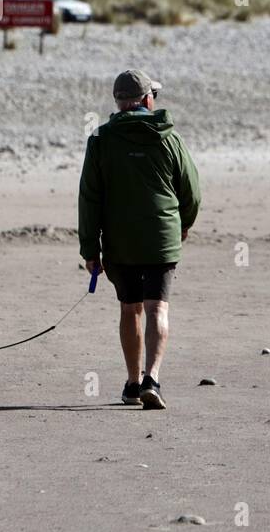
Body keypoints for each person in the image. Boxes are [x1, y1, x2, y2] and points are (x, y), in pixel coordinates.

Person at [78, 69, 200, 410]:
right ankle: (152, 378)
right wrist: (183, 225)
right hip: (161, 237)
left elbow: (89, 198)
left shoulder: (100, 140)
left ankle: (133, 384)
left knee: (130, 309)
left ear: (119, 103)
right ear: (148, 100)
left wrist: (90, 248)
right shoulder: (169, 137)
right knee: (157, 307)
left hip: (120, 241)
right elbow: (191, 191)